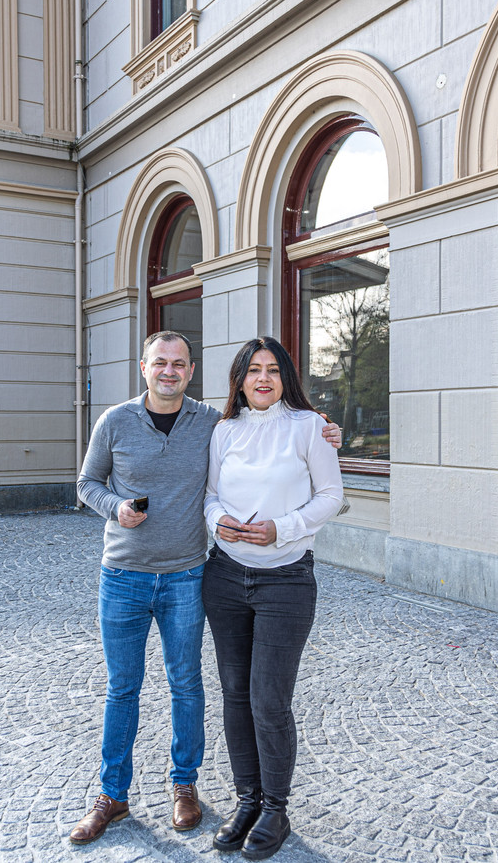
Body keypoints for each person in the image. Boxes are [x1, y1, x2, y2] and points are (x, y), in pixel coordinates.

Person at [71, 331, 340, 847]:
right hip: (129, 575)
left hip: (190, 575)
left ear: (191, 371)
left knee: (192, 686)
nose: (169, 371)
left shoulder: (212, 423)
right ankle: (113, 795)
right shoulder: (122, 421)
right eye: (160, 362)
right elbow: (90, 484)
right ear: (144, 367)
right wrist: (117, 508)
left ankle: (190, 787)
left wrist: (328, 431)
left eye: (179, 363)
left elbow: (312, 469)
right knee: (126, 687)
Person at [201, 336, 343, 860]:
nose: (263, 379)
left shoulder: (310, 428)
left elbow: (332, 496)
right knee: (235, 693)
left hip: (286, 581)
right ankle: (247, 801)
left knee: (268, 699)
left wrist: (282, 528)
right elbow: (210, 495)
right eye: (253, 370)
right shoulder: (223, 431)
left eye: (273, 370)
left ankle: (276, 810)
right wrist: (220, 522)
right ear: (239, 380)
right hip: (225, 577)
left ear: (286, 378)